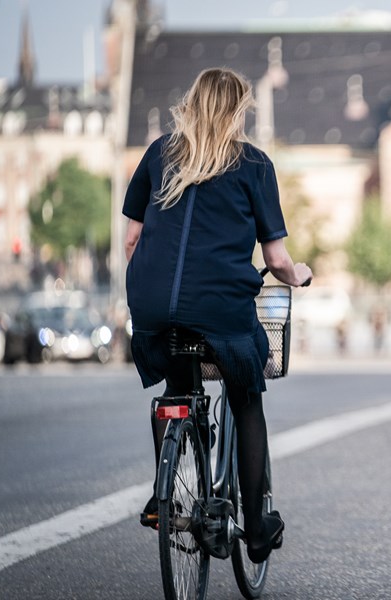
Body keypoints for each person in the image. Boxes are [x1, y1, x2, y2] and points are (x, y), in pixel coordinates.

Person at [123, 68, 312, 564]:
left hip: (150, 303)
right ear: (237, 111)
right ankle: (254, 529)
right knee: (247, 398)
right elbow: (275, 260)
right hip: (221, 308)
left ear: (190, 104)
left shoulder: (158, 152)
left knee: (177, 387)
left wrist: (155, 287)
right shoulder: (253, 165)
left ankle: (164, 495)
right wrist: (300, 275)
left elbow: (131, 240)